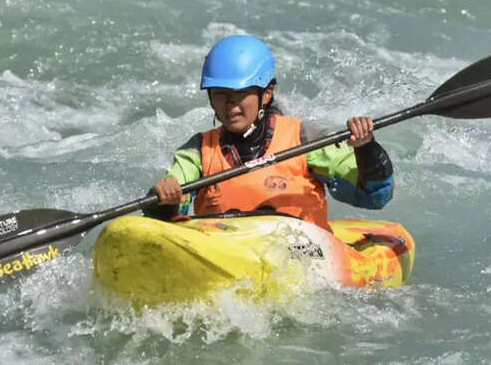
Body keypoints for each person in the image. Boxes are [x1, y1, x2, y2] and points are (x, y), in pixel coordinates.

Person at [144, 34, 394, 231]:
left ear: (266, 93)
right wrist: (165, 200)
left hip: (302, 258)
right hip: (227, 252)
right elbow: (170, 209)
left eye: (240, 93)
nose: (230, 104)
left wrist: (366, 147)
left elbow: (374, 196)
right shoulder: (199, 151)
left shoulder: (304, 139)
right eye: (220, 94)